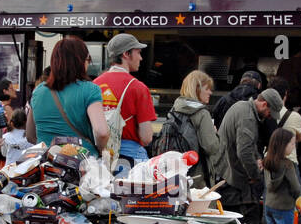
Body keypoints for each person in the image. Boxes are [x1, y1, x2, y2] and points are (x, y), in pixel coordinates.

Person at [27, 35, 109, 155]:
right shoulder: (90, 89)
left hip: (46, 164)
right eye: (88, 60)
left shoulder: (38, 91)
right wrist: (102, 151)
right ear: (80, 61)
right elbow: (102, 132)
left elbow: (30, 135)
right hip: (81, 164)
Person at [219, 87, 281, 224]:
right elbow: (244, 152)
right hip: (233, 178)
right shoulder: (247, 117)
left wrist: (258, 159)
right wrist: (255, 176)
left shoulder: (242, 107)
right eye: (270, 113)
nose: (269, 117)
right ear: (265, 104)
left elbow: (249, 145)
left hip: (227, 173)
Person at [95, 33, 156, 173]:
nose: (141, 58)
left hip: (100, 159)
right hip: (130, 160)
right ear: (126, 54)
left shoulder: (94, 85)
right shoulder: (138, 87)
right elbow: (146, 138)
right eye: (138, 52)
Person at [167, 69, 226, 190]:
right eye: (207, 88)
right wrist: (215, 134)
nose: (210, 92)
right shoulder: (202, 113)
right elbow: (211, 147)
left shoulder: (175, 108)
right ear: (197, 89)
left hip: (174, 173)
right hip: (197, 177)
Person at [262, 126, 301, 224]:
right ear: (283, 145)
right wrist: (296, 197)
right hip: (285, 207)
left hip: (269, 205)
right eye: (291, 144)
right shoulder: (288, 165)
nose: (293, 146)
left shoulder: (267, 161)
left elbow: (268, 185)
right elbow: (296, 188)